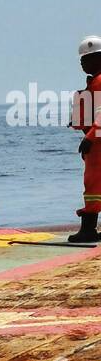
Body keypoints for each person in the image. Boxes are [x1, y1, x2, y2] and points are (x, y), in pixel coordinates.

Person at [68, 35, 101, 243]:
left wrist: (89, 137)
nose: (82, 63)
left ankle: (88, 230)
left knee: (92, 186)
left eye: (86, 58)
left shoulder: (99, 82)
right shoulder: (95, 82)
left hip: (98, 141)